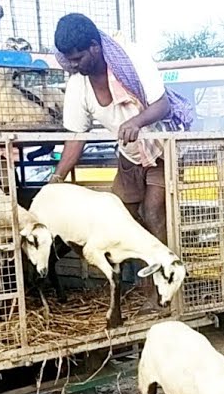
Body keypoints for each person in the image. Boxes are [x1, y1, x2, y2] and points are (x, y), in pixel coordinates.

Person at [50, 13, 179, 241]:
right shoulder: (78, 85)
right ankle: (136, 272)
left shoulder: (133, 59)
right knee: (120, 215)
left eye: (78, 58)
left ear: (94, 47)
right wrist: (57, 179)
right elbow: (76, 136)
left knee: (153, 212)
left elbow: (163, 105)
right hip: (129, 155)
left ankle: (162, 274)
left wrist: (136, 122)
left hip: (160, 150)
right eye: (70, 60)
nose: (74, 65)